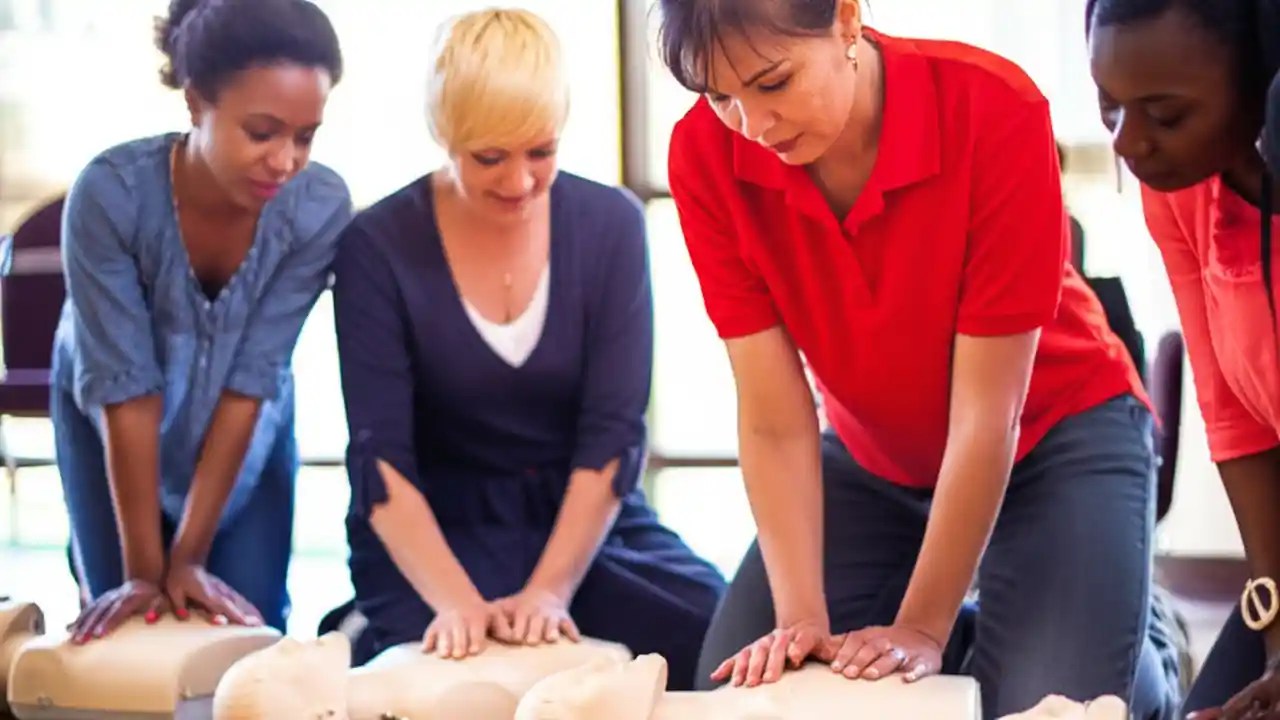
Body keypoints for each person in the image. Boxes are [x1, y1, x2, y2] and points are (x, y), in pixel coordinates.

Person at [655, 0, 1185, 717]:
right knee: (742, 696)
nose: (754, 126)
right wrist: (800, 616)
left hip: (1057, 434)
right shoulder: (703, 154)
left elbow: (987, 417)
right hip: (873, 456)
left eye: (773, 83)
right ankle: (1003, 626)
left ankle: (1138, 641)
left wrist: (923, 627)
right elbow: (775, 418)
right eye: (720, 96)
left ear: (846, 18)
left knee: (1043, 706)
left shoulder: (993, 106)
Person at [330, 8, 726, 689]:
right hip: (438, 527)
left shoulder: (611, 226)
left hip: (583, 523)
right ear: (444, 134)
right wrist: (456, 603)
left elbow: (612, 433)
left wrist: (549, 591)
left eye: (540, 152)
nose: (518, 182)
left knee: (711, 626)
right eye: (489, 157)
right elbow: (380, 459)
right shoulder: (376, 246)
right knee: (441, 672)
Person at [53, 0, 350, 641]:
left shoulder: (318, 208)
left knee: (247, 628)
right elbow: (126, 391)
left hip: (244, 422)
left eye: (305, 136)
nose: (285, 161)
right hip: (111, 418)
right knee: (128, 629)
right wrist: (144, 573)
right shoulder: (109, 195)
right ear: (195, 103)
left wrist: (188, 557)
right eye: (262, 132)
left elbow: (251, 382)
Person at [1087, 1, 1280, 718]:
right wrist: (1276, 631)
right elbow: (1233, 416)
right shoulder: (1181, 191)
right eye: (1110, 106)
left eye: (1165, 115)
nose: (1127, 143)